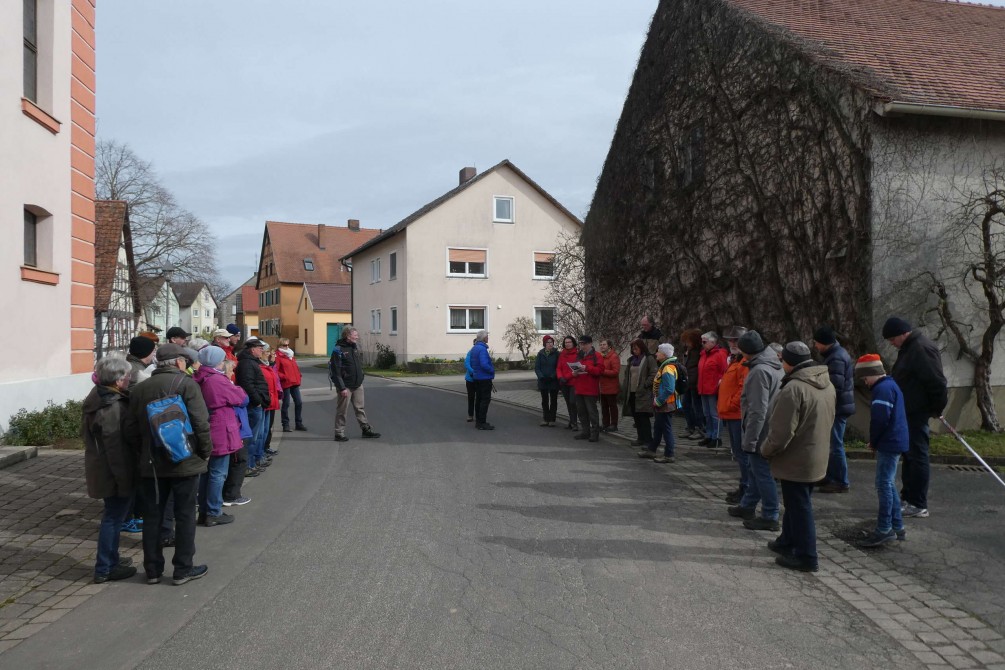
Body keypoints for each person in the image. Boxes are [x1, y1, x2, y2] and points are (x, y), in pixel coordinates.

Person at [123, 343, 211, 586]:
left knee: (153, 517)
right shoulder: (186, 385)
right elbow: (201, 423)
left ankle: (152, 570)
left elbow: (130, 429)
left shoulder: (140, 388)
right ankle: (183, 569)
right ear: (179, 362)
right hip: (185, 460)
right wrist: (205, 452)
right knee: (184, 516)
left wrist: (142, 452)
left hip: (151, 464)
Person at [761, 342, 835, 572]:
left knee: (800, 506)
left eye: (782, 360)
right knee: (796, 503)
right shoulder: (826, 383)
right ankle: (787, 541)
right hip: (816, 453)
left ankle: (806, 556)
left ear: (789, 362)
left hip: (797, 457)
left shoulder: (795, 388)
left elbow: (782, 431)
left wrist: (766, 450)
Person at [883, 317, 948, 519]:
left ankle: (918, 503)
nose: (892, 343)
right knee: (909, 455)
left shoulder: (920, 348)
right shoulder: (910, 348)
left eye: (893, 339)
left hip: (917, 412)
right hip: (908, 411)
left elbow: (937, 382)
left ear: (903, 333)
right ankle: (908, 497)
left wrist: (936, 408)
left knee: (917, 456)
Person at [82, 354, 138, 584]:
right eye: (126, 376)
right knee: (113, 518)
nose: (129, 380)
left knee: (112, 516)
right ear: (117, 380)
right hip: (112, 471)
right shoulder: (112, 407)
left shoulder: (97, 396)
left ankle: (111, 558)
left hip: (101, 466)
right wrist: (124, 481)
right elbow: (115, 449)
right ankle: (105, 567)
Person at [730, 330, 784, 531]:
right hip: (771, 425)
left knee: (762, 473)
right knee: (756, 471)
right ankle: (748, 505)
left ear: (745, 351)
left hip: (762, 430)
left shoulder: (760, 371)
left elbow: (757, 409)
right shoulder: (774, 365)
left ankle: (770, 514)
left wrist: (750, 440)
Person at [854, 354, 909, 547]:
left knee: (883, 484)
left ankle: (884, 528)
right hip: (895, 440)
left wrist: (873, 441)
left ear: (872, 373)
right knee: (889, 484)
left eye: (864, 377)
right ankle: (896, 526)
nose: (864, 382)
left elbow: (880, 419)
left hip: (889, 442)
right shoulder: (891, 385)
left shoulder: (882, 390)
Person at [193, 346, 247, 527]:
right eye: (222, 359)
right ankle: (213, 511)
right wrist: (232, 382)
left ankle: (204, 510)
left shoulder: (200, 376)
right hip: (220, 428)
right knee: (218, 473)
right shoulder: (217, 380)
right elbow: (241, 398)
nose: (224, 363)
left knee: (207, 473)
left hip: (208, 426)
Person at [813, 326, 857, 493]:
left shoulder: (836, 358)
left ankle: (840, 481)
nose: (815, 345)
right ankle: (830, 477)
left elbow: (834, 387)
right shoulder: (836, 355)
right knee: (832, 444)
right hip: (839, 406)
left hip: (836, 408)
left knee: (835, 444)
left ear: (825, 343)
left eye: (817, 342)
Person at [331, 326, 382, 440]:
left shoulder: (354, 347)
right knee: (342, 411)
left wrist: (361, 377)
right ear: (348, 336)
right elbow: (335, 371)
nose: (357, 337)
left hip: (357, 385)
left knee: (360, 408)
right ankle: (339, 433)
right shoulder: (338, 349)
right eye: (355, 335)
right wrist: (342, 387)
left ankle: (365, 430)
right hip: (345, 386)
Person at [718, 326, 750, 503]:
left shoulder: (744, 362)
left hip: (737, 414)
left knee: (742, 454)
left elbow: (742, 389)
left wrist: (730, 404)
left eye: (735, 340)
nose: (732, 343)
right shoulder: (736, 360)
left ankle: (746, 489)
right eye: (730, 340)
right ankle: (743, 486)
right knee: (738, 453)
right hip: (731, 414)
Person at [637, 343, 682, 462]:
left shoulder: (667, 368)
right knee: (658, 427)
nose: (656, 353)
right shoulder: (665, 365)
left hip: (666, 404)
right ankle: (652, 450)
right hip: (663, 403)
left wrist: (659, 401)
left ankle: (669, 454)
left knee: (666, 428)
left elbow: (669, 389)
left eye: (658, 352)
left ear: (664, 354)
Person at [236, 338, 271, 472]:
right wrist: (257, 401)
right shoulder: (247, 363)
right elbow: (247, 385)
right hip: (253, 404)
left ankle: (253, 461)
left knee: (258, 435)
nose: (262, 351)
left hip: (258, 403)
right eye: (260, 348)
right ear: (252, 349)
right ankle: (248, 465)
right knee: (251, 437)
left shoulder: (251, 362)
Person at [621, 338, 657, 447]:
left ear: (641, 348)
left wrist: (645, 385)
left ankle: (648, 440)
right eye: (633, 349)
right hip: (632, 393)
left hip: (643, 393)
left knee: (643, 417)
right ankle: (640, 438)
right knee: (636, 417)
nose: (634, 350)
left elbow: (653, 373)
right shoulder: (631, 360)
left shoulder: (649, 359)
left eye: (636, 348)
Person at [697, 331, 728, 447]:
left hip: (713, 389)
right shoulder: (704, 354)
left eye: (704, 342)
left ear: (712, 342)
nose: (702, 344)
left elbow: (724, 371)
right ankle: (709, 435)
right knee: (707, 414)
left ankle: (717, 437)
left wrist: (720, 385)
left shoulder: (720, 354)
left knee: (714, 414)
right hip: (703, 388)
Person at [571, 335, 603, 441]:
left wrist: (587, 368)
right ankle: (585, 431)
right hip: (579, 388)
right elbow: (576, 369)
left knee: (592, 412)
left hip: (590, 389)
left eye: (584, 344)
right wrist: (574, 373)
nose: (582, 346)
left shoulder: (597, 356)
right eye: (580, 344)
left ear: (590, 344)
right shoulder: (579, 355)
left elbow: (599, 371)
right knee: (581, 412)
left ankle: (595, 433)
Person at [678, 328, 705, 439]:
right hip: (689, 382)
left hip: (694, 383)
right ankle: (690, 427)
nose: (686, 343)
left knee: (696, 407)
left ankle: (700, 429)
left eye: (688, 341)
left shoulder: (698, 352)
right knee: (686, 405)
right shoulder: (689, 351)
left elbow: (695, 368)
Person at [274, 338, 306, 432]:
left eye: (288, 345)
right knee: (286, 403)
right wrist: (284, 377)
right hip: (286, 383)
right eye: (284, 345)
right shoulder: (278, 356)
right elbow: (276, 370)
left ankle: (298, 423)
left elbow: (294, 367)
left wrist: (299, 375)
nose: (287, 347)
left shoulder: (290, 354)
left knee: (299, 402)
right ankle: (285, 424)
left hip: (294, 382)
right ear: (280, 345)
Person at [260, 343, 282, 456]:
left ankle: (265, 448)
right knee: (264, 428)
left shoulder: (269, 364)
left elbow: (276, 380)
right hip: (266, 399)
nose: (270, 355)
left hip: (272, 398)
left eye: (270, 353)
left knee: (268, 426)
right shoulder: (262, 366)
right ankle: (262, 450)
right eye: (267, 352)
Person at [534, 335, 559, 426]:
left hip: (553, 380)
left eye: (551, 342)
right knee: (544, 400)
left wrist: (552, 376)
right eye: (548, 342)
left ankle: (552, 419)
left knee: (553, 400)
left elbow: (558, 367)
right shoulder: (540, 354)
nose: (550, 344)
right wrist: (541, 377)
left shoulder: (557, 354)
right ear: (544, 344)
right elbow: (537, 367)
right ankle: (545, 418)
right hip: (543, 380)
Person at [556, 335, 580, 431]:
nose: (567, 344)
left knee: (572, 402)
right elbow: (558, 367)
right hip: (564, 382)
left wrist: (566, 377)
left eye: (569, 342)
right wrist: (560, 377)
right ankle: (571, 421)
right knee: (568, 403)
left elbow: (576, 368)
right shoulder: (562, 354)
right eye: (566, 342)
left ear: (573, 343)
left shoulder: (578, 354)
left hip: (573, 382)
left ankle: (575, 423)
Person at [598, 338, 622, 432]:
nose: (602, 346)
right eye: (600, 345)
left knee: (612, 406)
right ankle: (605, 424)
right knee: (604, 407)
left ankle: (614, 424)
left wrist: (602, 371)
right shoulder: (601, 357)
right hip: (602, 386)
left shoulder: (613, 356)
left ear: (609, 346)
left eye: (604, 344)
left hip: (611, 386)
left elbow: (615, 372)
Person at [464, 338, 477, 422]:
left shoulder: (482, 352)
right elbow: (466, 363)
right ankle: (470, 415)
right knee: (471, 397)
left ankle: (479, 414)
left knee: (479, 398)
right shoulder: (470, 352)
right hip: (470, 379)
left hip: (479, 379)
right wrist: (472, 371)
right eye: (475, 344)